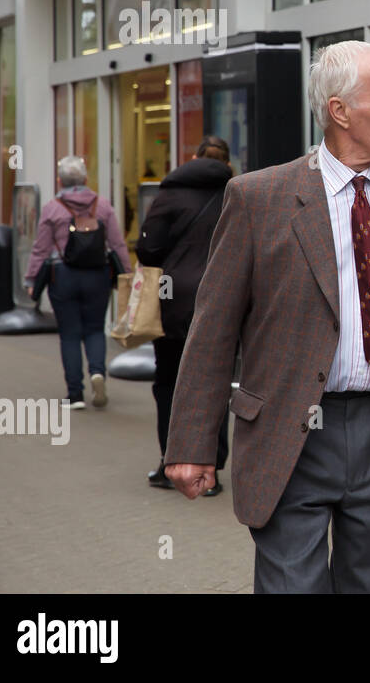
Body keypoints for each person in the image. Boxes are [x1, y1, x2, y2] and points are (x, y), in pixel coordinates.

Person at [164, 40, 370, 593]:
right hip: (292, 425)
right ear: (340, 111)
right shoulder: (259, 197)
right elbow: (214, 326)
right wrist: (191, 443)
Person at [136, 136, 233, 496]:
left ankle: (171, 463)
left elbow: (148, 248)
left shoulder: (171, 194)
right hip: (223, 299)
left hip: (173, 300)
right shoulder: (237, 193)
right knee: (215, 383)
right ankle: (211, 473)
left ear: (193, 157)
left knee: (169, 384)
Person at [25, 156, 131, 410]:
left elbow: (41, 248)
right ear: (85, 180)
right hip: (98, 275)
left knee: (70, 335)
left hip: (63, 276)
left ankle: (75, 394)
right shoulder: (102, 205)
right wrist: (126, 274)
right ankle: (97, 373)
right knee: (95, 329)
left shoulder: (53, 208)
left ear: (59, 180)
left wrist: (31, 279)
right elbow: (117, 244)